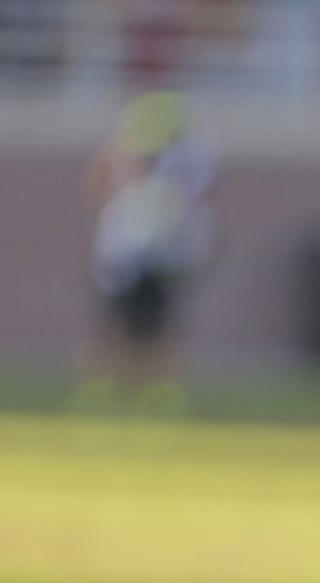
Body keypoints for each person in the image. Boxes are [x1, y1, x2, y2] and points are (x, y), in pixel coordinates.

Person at [80, 91, 216, 408]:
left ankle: (160, 388)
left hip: (163, 252)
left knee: (162, 324)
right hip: (125, 251)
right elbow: (94, 186)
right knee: (115, 322)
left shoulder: (184, 162)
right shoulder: (121, 158)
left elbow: (195, 202)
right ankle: (106, 384)